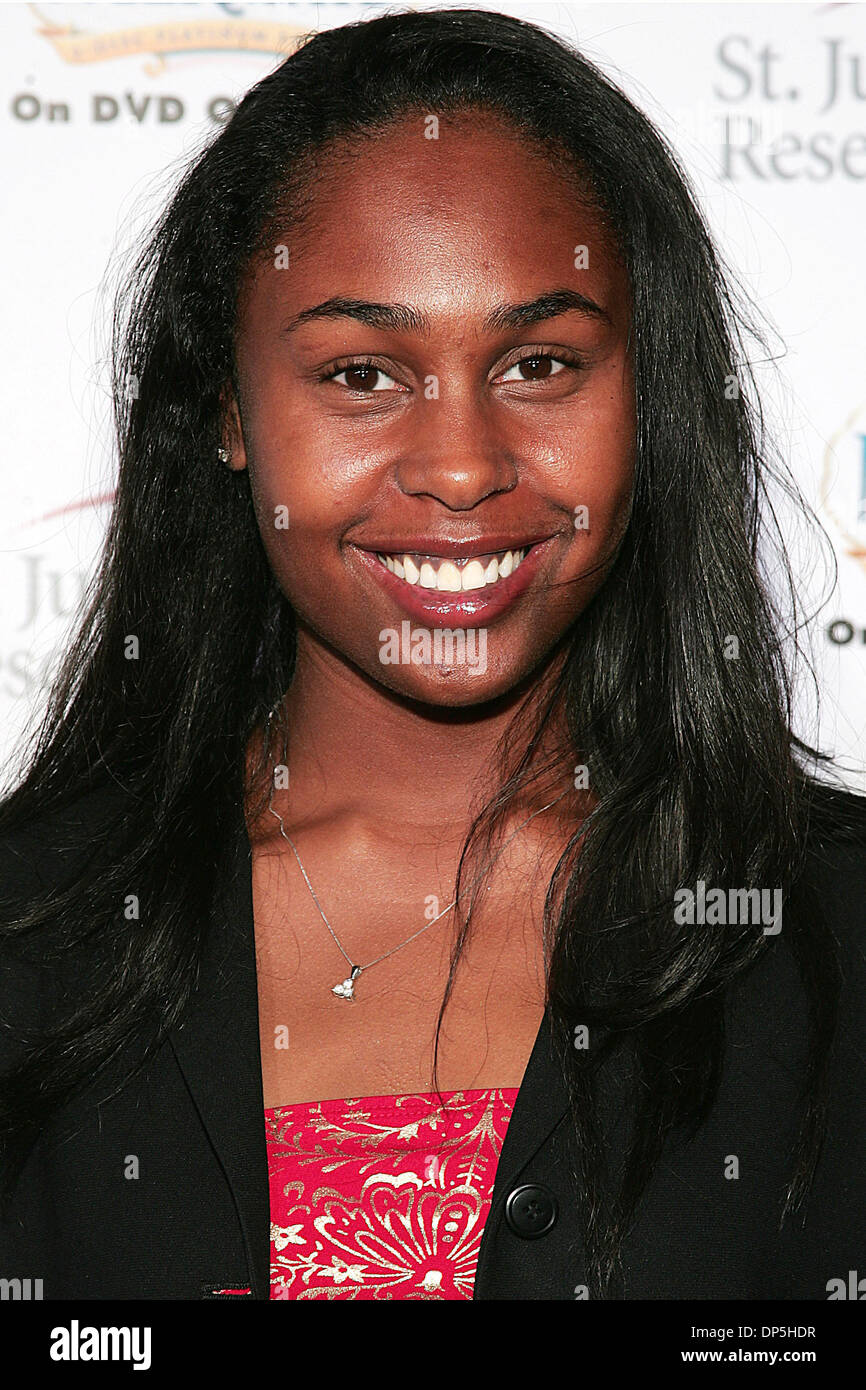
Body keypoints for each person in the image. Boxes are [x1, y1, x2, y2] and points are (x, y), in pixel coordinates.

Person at [1, 5, 865, 1302]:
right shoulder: (33, 927)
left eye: (537, 361)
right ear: (228, 410)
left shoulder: (834, 929)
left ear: (650, 398)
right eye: (359, 374)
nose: (460, 466)